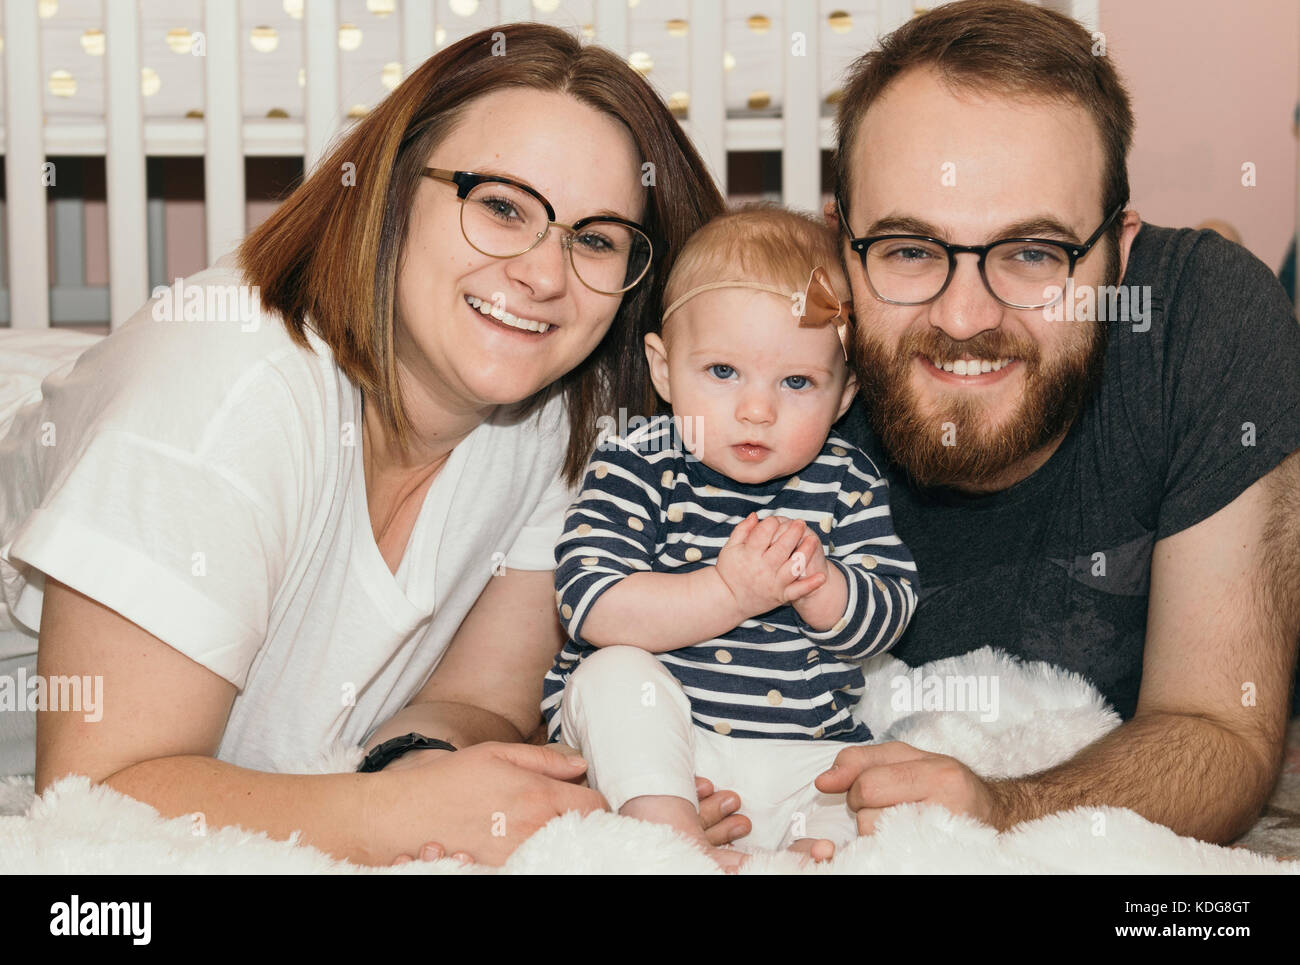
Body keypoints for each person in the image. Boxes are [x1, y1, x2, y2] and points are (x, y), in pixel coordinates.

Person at [0, 23, 751, 867]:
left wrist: (436, 775)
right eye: (501, 206)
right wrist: (385, 811)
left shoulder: (556, 411)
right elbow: (92, 797)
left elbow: (479, 701)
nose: (545, 276)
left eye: (596, 239)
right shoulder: (226, 387)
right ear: (390, 193)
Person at [819, 0, 1300, 844]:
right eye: (907, 249)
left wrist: (1003, 808)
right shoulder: (763, 357)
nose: (964, 316)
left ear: (1119, 248)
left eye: (1034, 253)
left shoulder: (1202, 320)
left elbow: (1220, 727)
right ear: (837, 245)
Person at [539, 206, 918, 866]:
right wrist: (727, 591)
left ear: (844, 395)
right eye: (722, 372)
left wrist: (825, 588)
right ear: (664, 369)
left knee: (877, 781)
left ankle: (808, 851)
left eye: (797, 382)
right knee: (613, 678)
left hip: (801, 747)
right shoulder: (640, 460)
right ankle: (667, 840)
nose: (756, 409)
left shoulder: (846, 479)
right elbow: (589, 602)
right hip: (665, 746)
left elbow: (890, 612)